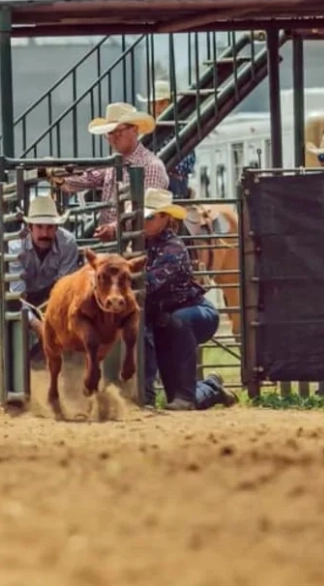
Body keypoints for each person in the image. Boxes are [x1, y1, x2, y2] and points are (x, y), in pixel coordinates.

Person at [140, 188, 237, 411]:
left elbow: (149, 284)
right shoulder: (145, 244)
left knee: (178, 320)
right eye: (141, 217)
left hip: (196, 313)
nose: (143, 222)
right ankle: (210, 387)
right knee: (178, 396)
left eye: (149, 217)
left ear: (165, 218)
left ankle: (187, 394)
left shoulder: (173, 249)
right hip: (167, 320)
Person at [58, 102, 169, 241]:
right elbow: (88, 178)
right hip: (115, 243)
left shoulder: (151, 166)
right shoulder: (114, 163)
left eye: (118, 131)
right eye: (110, 132)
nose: (113, 137)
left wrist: (114, 229)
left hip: (138, 244)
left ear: (134, 129)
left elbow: (146, 210)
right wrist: (58, 177)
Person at [4, 196, 81, 348]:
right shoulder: (14, 248)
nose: (44, 233)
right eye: (39, 226)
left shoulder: (68, 244)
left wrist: (52, 321)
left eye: (50, 227)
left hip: (50, 294)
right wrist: (39, 326)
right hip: (21, 297)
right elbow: (17, 297)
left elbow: (63, 291)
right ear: (29, 227)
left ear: (57, 228)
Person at [137, 80, 196, 200]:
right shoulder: (145, 131)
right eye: (154, 104)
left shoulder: (180, 129)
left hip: (174, 184)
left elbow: (189, 161)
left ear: (170, 104)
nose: (157, 108)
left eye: (161, 103)